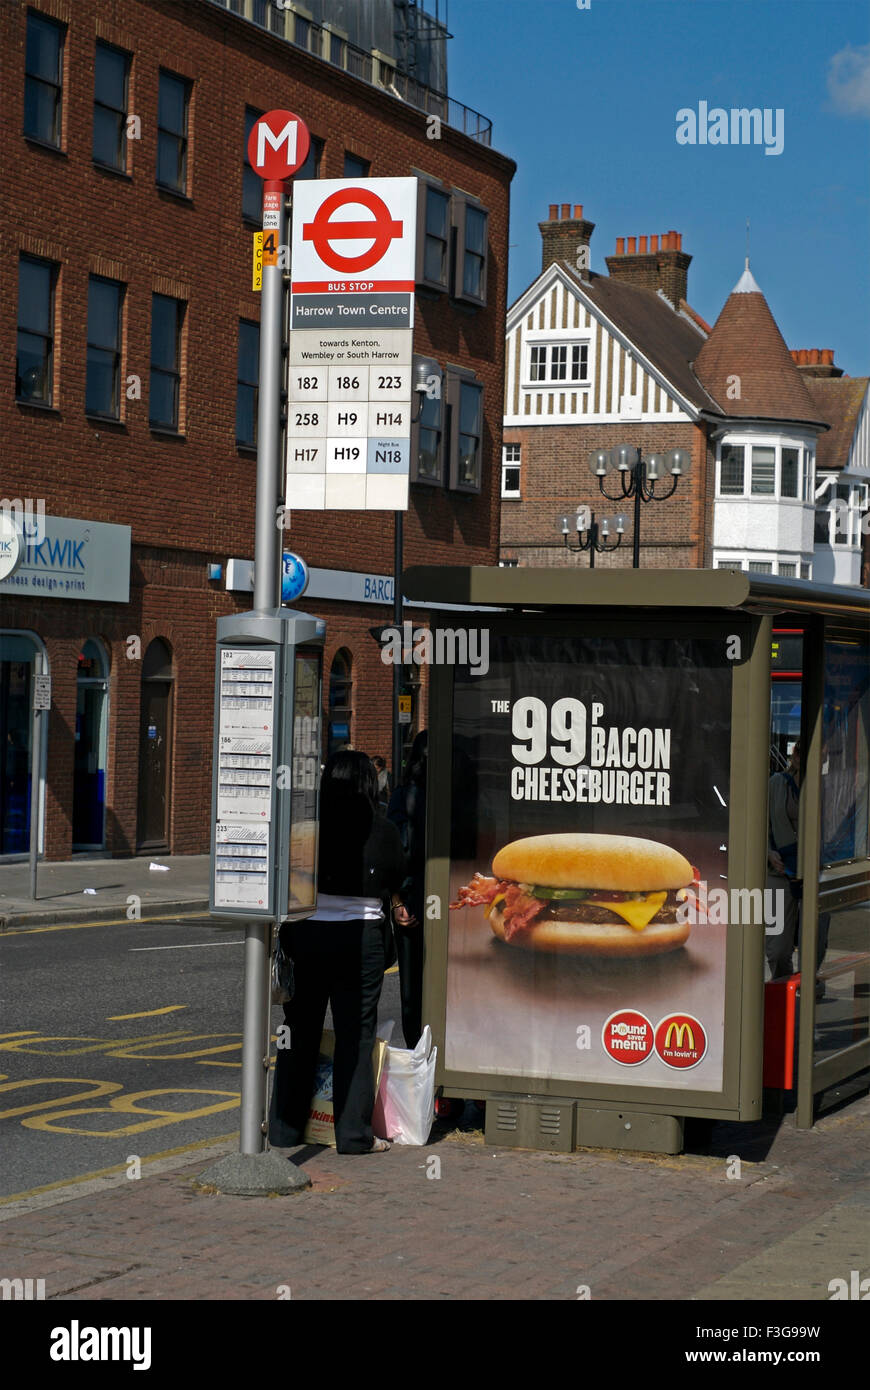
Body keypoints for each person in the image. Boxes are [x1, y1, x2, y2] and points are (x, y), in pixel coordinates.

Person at [269, 751, 407, 1154]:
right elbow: (395, 876)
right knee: (355, 1037)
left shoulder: (306, 831)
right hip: (359, 938)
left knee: (298, 1031)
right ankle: (352, 1135)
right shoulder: (381, 830)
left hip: (307, 932)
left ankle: (284, 1128)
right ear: (368, 784)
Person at [766, 738, 829, 989]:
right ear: (795, 755)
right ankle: (783, 984)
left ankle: (806, 982)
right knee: (777, 947)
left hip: (815, 873)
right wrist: (769, 853)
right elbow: (759, 824)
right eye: (802, 754)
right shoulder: (776, 784)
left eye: (819, 757)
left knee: (814, 941)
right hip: (778, 872)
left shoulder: (826, 789)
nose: (805, 759)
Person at [387, 730, 427, 1048]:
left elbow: (397, 848)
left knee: (412, 983)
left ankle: (418, 1051)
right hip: (454, 898)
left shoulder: (403, 795)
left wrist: (397, 901)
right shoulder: (459, 794)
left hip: (413, 898)